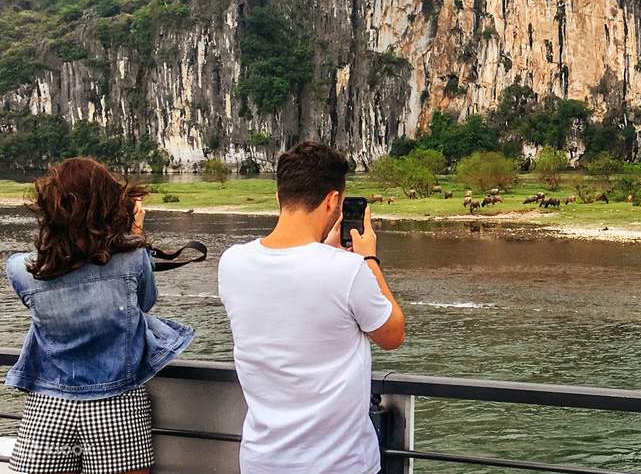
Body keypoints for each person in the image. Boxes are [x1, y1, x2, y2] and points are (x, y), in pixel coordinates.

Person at [218, 141, 406, 474]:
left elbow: (292, 292)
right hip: (339, 465)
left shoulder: (231, 263)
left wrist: (325, 250)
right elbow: (392, 334)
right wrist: (369, 259)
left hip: (262, 462)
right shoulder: (348, 271)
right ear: (334, 201)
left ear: (279, 197)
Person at [5, 157, 194, 474]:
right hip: (117, 404)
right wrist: (134, 235)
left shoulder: (20, 269)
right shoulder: (132, 259)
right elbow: (144, 303)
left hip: (49, 406)